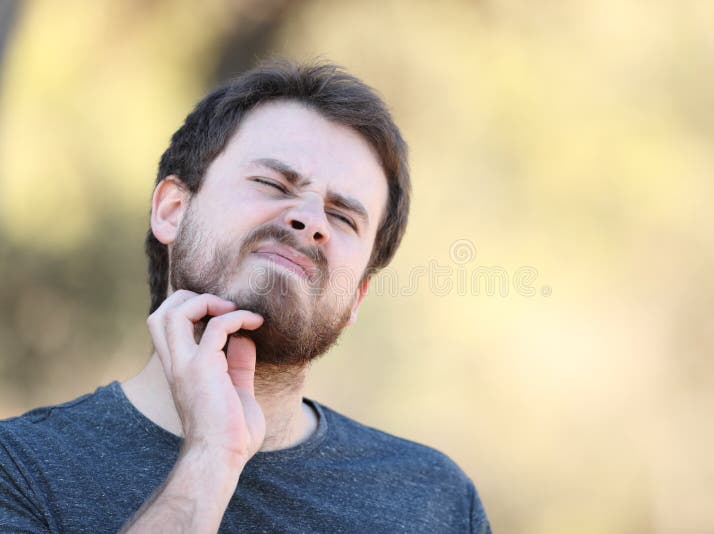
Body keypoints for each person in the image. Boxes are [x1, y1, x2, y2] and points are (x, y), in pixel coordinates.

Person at [0, 60, 492, 533]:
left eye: (343, 217)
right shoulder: (21, 470)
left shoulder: (437, 502)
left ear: (357, 297)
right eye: (272, 184)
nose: (310, 220)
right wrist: (211, 456)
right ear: (172, 210)